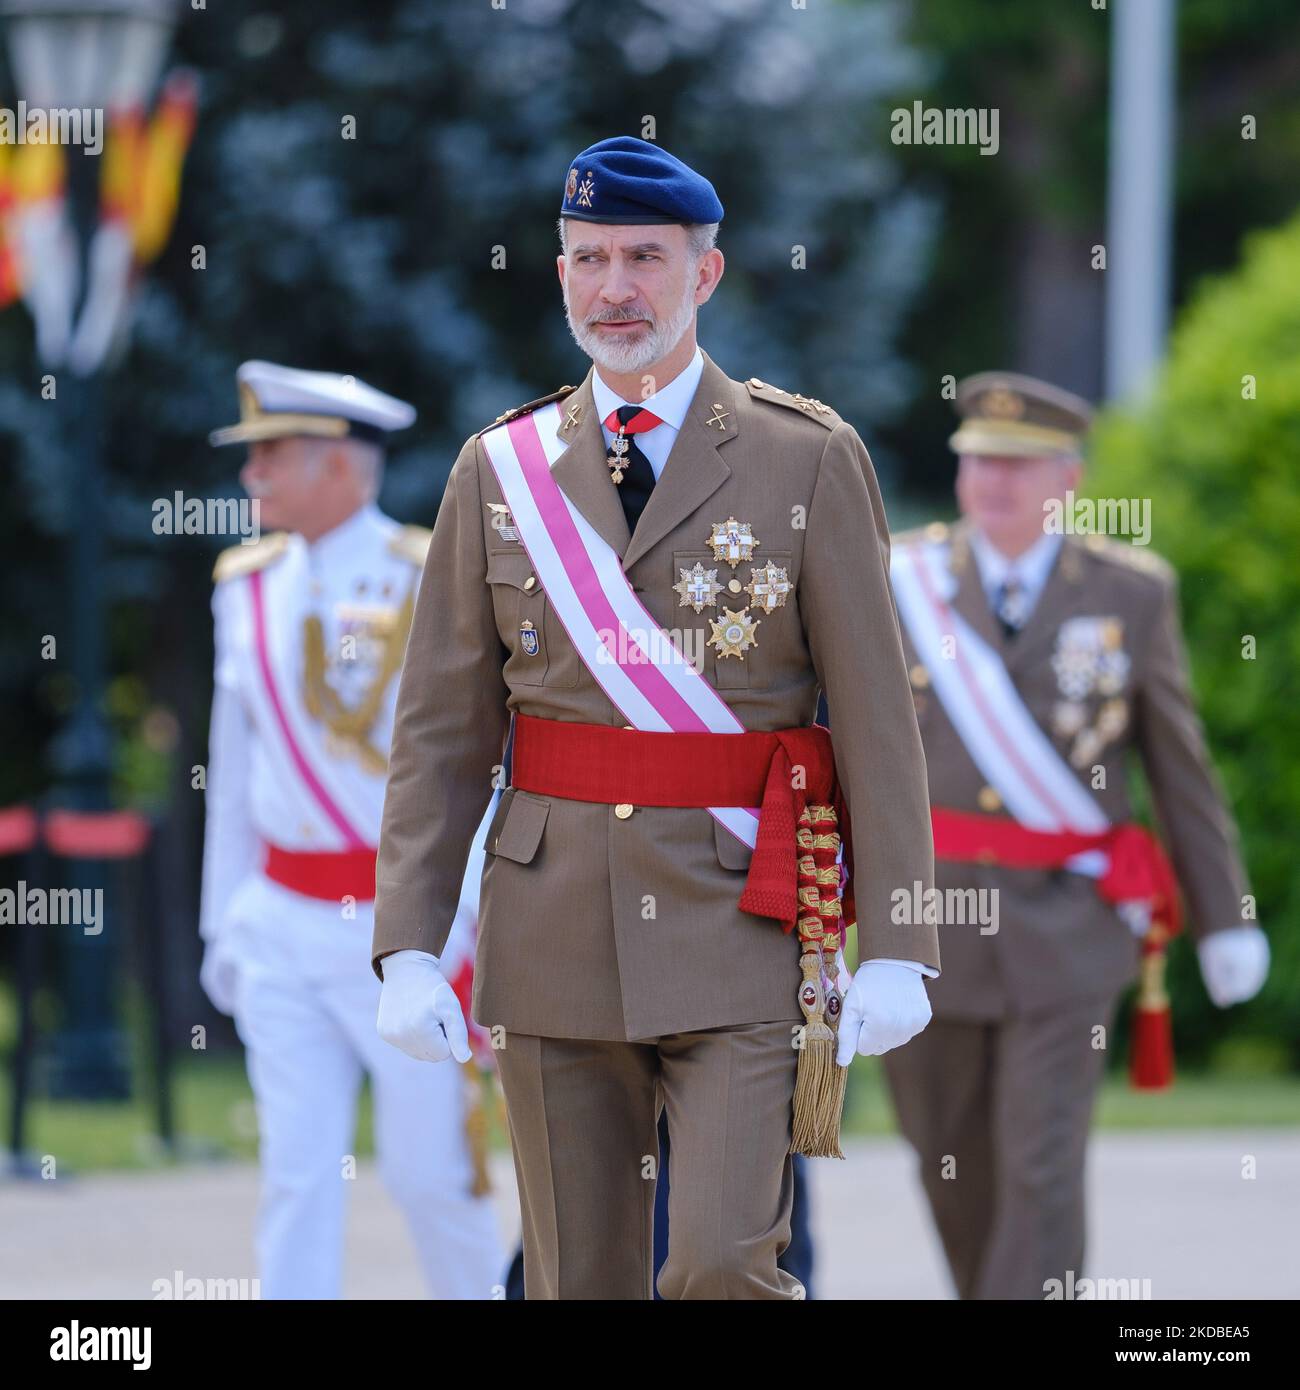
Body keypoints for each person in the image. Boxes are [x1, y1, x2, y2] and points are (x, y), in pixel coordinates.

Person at [370, 136, 941, 1301]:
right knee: (579, 1277)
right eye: (588, 258)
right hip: (550, 921)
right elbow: (440, 731)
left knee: (725, 1262)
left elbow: (878, 721)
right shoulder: (499, 468)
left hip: (743, 919)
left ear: (707, 273)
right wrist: (408, 941)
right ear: (562, 272)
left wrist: (898, 941)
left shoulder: (807, 457)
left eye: (643, 256)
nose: (614, 286)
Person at [880, 371, 1270, 1300]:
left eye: (1020, 466)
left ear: (1069, 479)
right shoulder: (899, 581)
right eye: (979, 463)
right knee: (947, 1161)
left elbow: (1178, 767)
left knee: (1040, 1169)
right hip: (925, 928)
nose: (995, 483)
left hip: (1068, 933)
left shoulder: (1131, 593)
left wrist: (1224, 916)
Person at [198, 361, 504, 1299]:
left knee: (432, 1177)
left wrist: (469, 930)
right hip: (282, 919)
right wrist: (224, 925)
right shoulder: (241, 586)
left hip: (403, 924)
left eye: (272, 456)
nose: (252, 477)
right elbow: (232, 772)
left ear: (341, 466)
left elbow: (476, 763)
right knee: (296, 1171)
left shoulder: (428, 574)